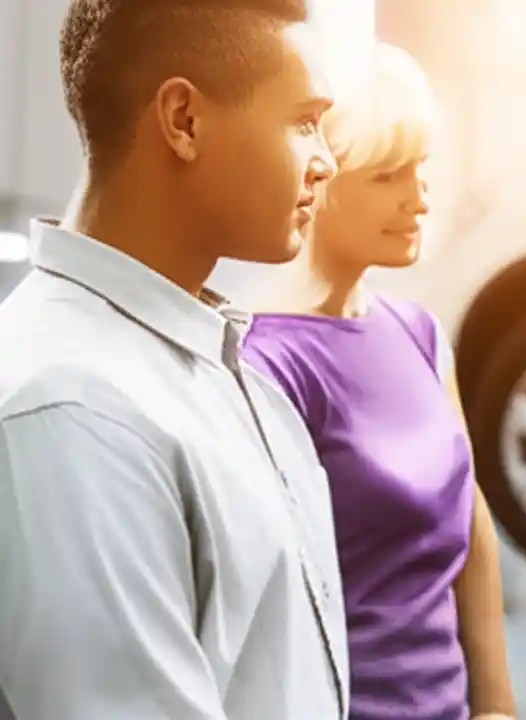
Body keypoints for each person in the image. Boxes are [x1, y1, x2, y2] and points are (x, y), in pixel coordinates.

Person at [0, 1, 348, 719]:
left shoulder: (224, 370)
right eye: (304, 121)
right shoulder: (74, 410)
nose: (327, 161)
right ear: (184, 121)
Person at [239, 42, 517, 720]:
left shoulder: (419, 335)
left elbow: (471, 530)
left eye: (422, 169)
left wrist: (497, 707)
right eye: (389, 175)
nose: (419, 198)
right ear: (320, 177)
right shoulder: (262, 361)